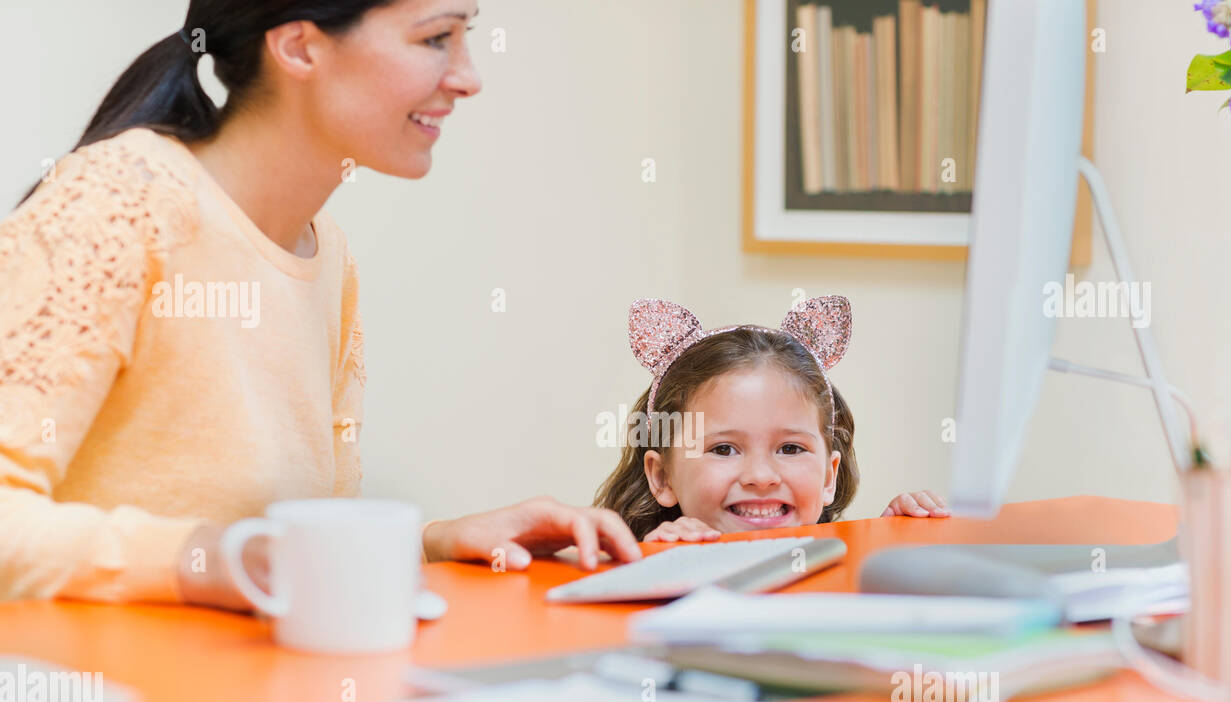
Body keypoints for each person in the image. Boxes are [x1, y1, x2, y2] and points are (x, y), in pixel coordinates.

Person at [0, 0, 641, 609]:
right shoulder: (119, 201)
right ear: (300, 47)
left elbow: (286, 549)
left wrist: (439, 541)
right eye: (435, 39)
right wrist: (199, 558)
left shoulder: (325, 250)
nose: (468, 78)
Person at [594, 296, 949, 542]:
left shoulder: (847, 566)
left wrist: (890, 550)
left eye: (791, 448)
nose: (761, 477)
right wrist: (652, 570)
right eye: (723, 449)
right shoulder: (640, 568)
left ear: (829, 475)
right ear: (663, 477)